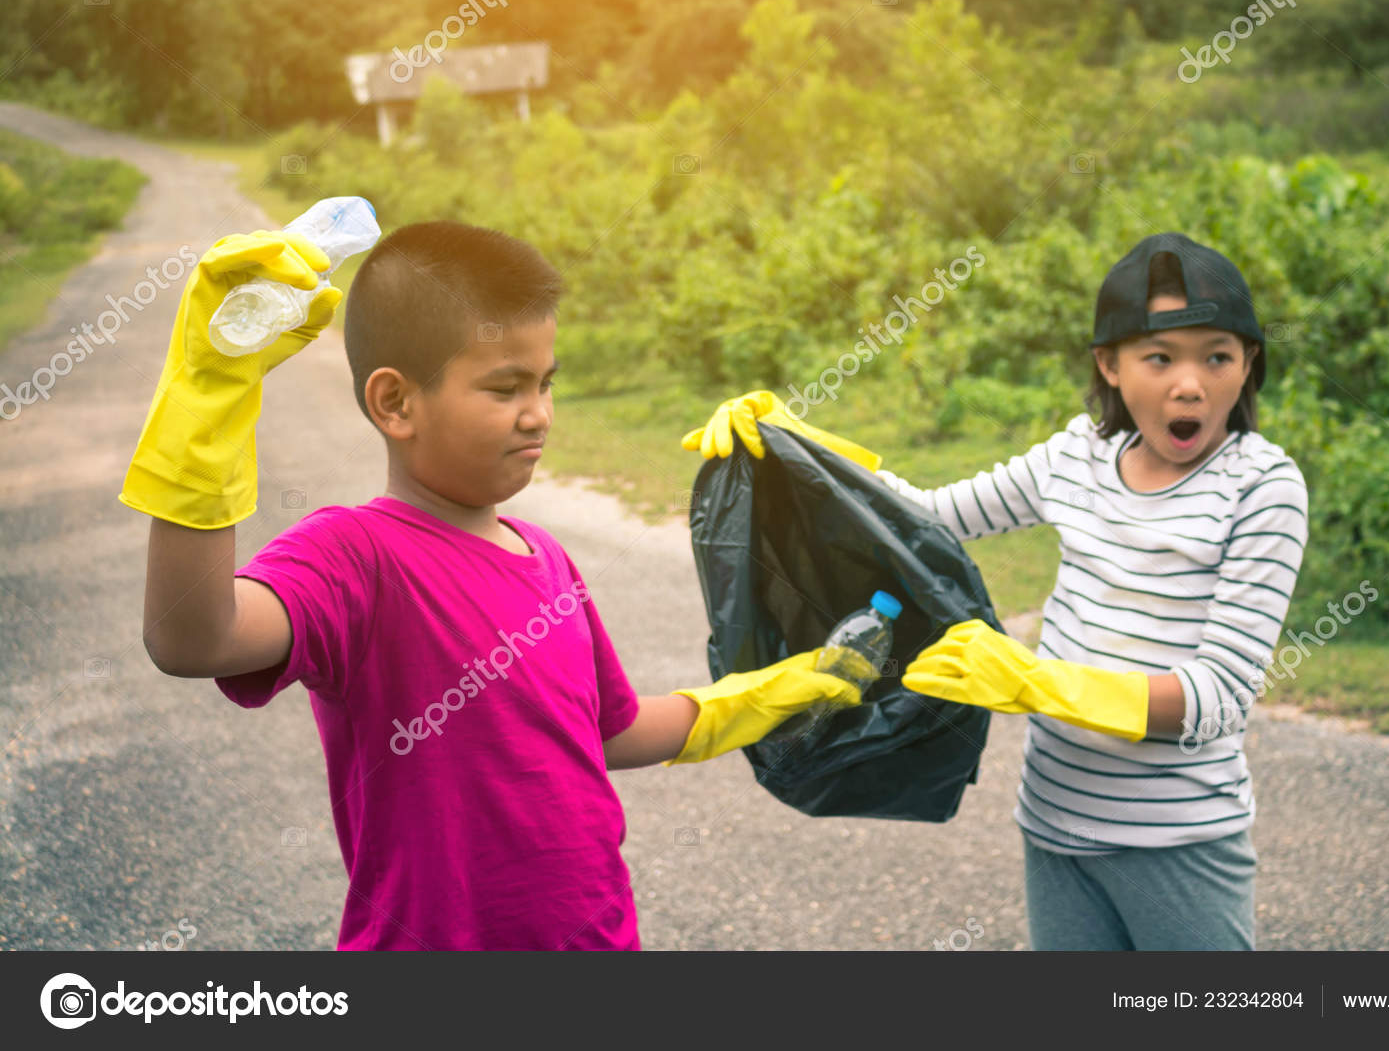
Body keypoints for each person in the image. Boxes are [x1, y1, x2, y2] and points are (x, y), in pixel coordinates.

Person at [121, 220, 861, 951]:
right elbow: (193, 636)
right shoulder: (356, 555)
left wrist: (776, 691)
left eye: (545, 383)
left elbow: (611, 729)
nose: (538, 413)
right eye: (505, 387)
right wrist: (208, 401)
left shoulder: (547, 558)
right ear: (395, 403)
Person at [684, 231, 1309, 950]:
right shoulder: (1079, 455)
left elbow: (1219, 696)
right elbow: (923, 523)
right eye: (1159, 357)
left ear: (1249, 362)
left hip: (1179, 840)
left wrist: (1039, 682)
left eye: (1218, 356)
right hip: (1054, 822)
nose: (1190, 383)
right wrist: (798, 444)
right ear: (1109, 363)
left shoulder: (1263, 488)